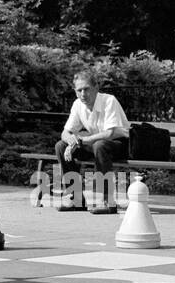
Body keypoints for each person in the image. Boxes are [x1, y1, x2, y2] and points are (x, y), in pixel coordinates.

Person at [54, 71, 131, 214]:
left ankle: (107, 201)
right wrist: (71, 142)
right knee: (60, 146)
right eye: (79, 90)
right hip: (95, 144)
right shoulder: (77, 104)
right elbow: (65, 132)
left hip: (119, 144)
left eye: (86, 89)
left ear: (96, 87)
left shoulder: (109, 100)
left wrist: (82, 141)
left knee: (100, 145)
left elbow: (110, 133)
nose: (83, 94)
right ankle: (76, 199)